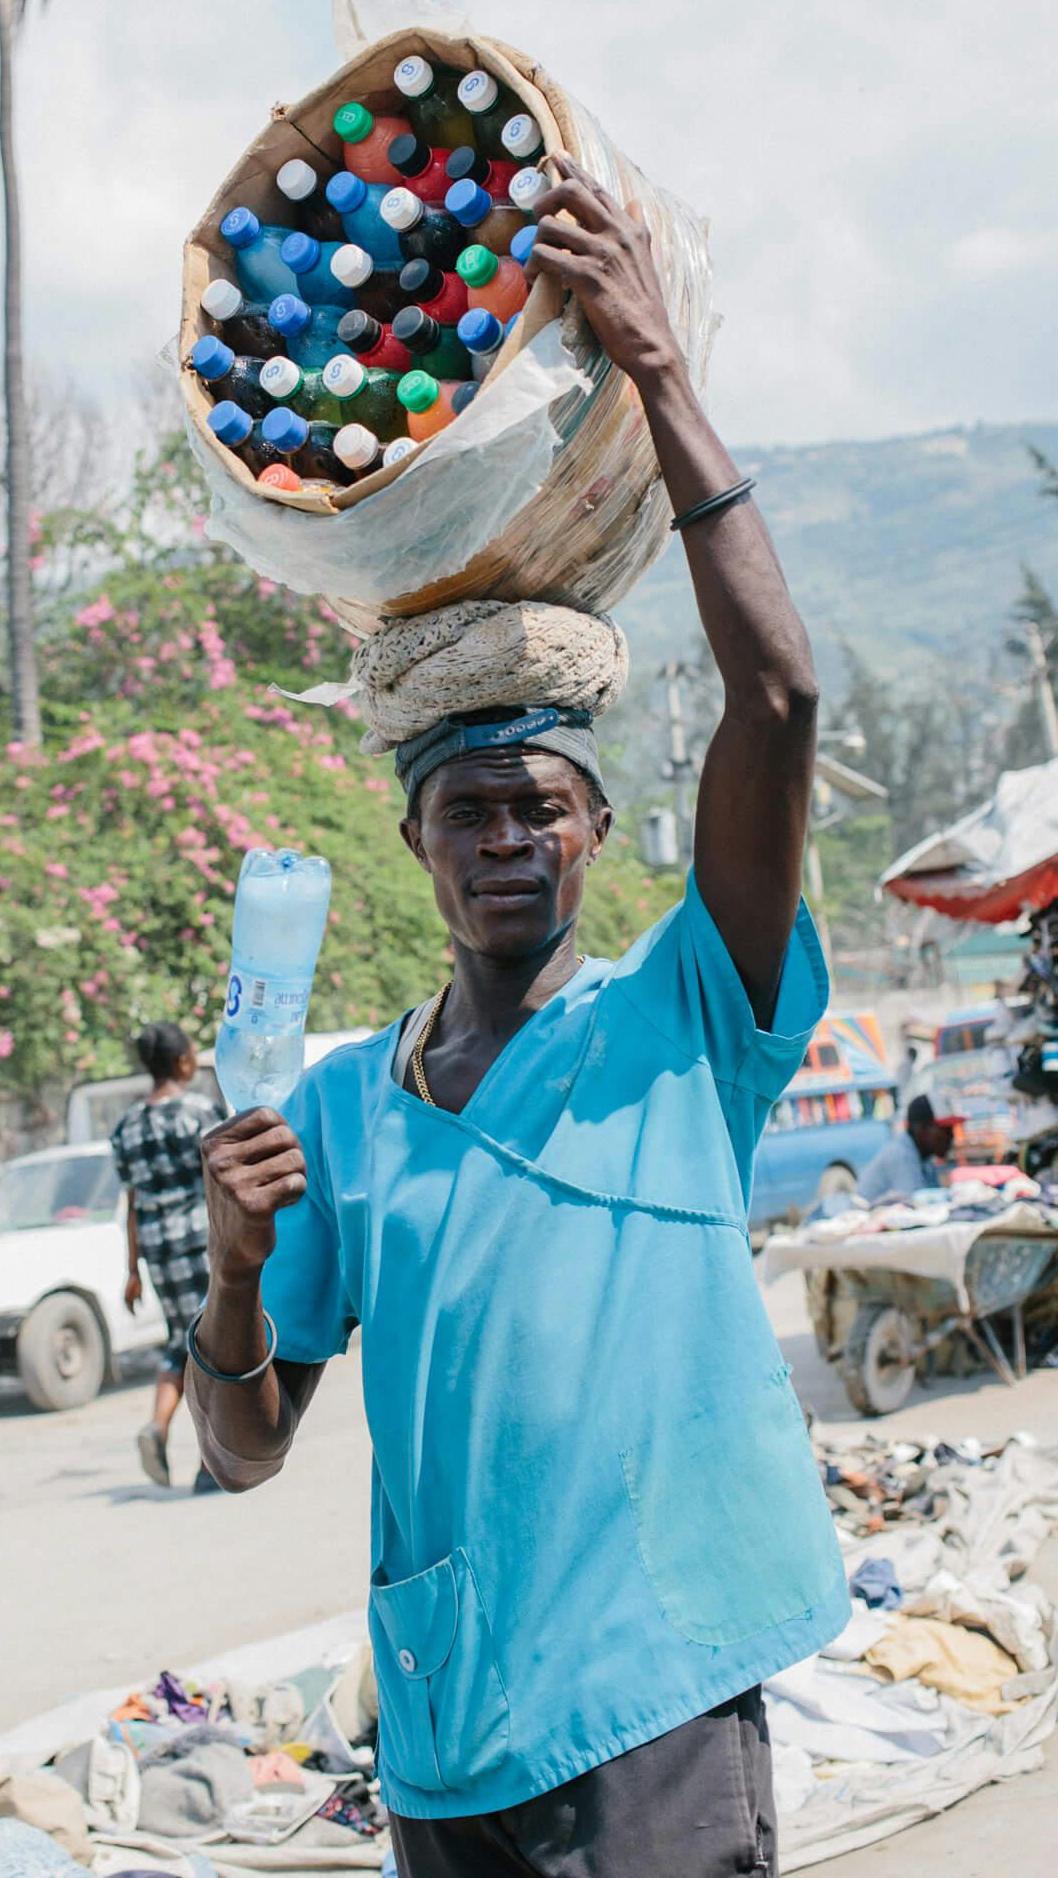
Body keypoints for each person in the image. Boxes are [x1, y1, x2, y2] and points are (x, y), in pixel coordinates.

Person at [188, 154, 849, 1878]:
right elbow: (247, 1452)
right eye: (466, 807)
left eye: (539, 804)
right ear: (413, 839)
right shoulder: (339, 1109)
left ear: (591, 828)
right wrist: (238, 1271)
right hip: (448, 1724)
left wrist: (657, 367)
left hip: (654, 1697)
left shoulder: (691, 1020)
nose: (505, 837)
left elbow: (777, 694)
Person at [110, 1021, 225, 1495]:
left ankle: (158, 1426)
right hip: (203, 1241)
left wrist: (132, 1269)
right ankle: (208, 1461)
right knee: (215, 1341)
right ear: (182, 1062)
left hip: (158, 1249)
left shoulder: (127, 1127)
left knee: (180, 1336)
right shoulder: (200, 1113)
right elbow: (224, 1183)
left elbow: (133, 1203)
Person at [855, 1092, 961, 1203]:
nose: (951, 1136)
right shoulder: (900, 1155)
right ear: (922, 1129)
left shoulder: (924, 1157)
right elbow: (916, 1207)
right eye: (945, 1130)